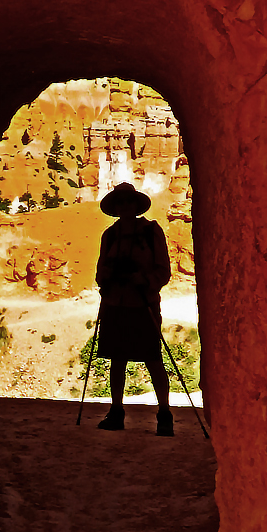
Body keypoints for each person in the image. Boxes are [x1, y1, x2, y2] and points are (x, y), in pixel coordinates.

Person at [94, 182, 174, 436]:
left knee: (153, 359)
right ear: (116, 208)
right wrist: (108, 277)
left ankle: (165, 414)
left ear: (135, 206)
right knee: (117, 360)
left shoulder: (151, 232)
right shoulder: (110, 235)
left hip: (143, 303)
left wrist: (144, 280)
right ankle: (116, 411)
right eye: (121, 203)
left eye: (129, 202)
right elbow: (99, 271)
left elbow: (163, 270)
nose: (125, 207)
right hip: (116, 303)